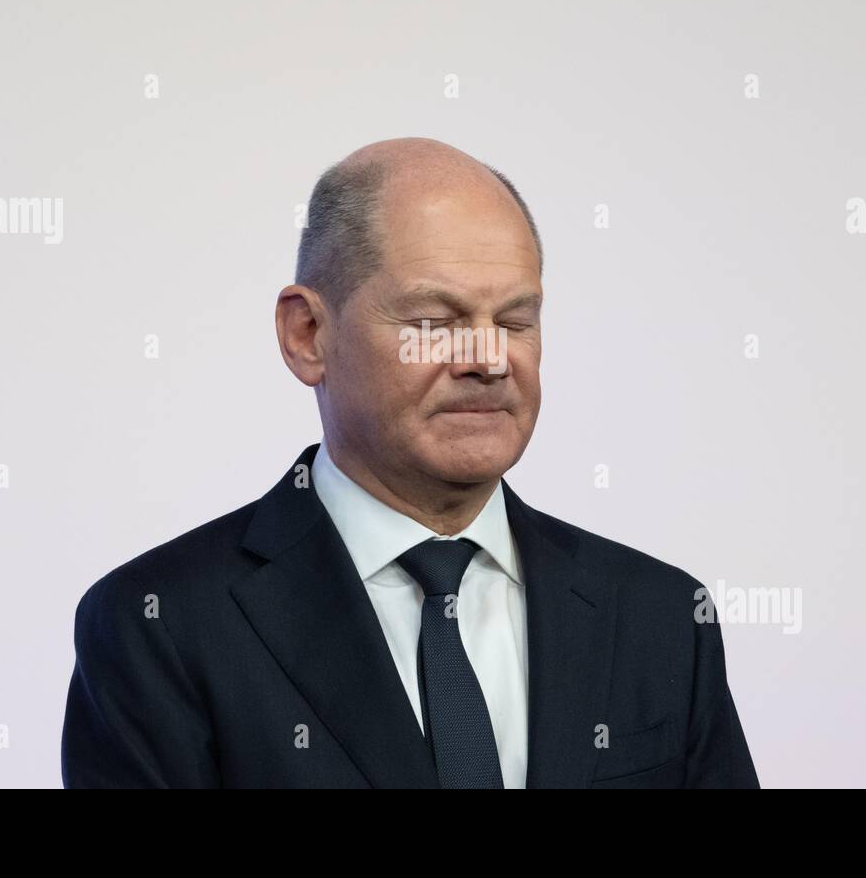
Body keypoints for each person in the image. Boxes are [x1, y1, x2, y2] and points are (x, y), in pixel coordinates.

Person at [60, 136, 760, 788]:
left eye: (515, 321)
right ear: (307, 334)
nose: (489, 360)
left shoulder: (661, 617)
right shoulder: (157, 627)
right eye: (434, 321)